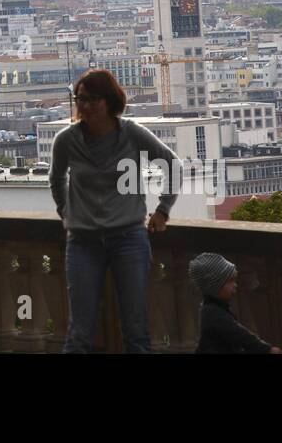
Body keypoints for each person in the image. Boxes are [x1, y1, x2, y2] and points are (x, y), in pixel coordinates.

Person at [49, 68, 179, 353]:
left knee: (135, 327)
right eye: (80, 98)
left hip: (128, 237)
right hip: (83, 241)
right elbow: (56, 178)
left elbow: (172, 164)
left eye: (92, 99)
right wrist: (65, 212)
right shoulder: (67, 140)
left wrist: (162, 210)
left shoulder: (130, 134)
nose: (84, 105)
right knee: (80, 330)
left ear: (109, 102)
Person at [189, 252, 282, 354]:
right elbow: (239, 334)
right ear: (215, 285)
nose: (235, 285)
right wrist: (267, 349)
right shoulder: (212, 313)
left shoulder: (216, 309)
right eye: (230, 281)